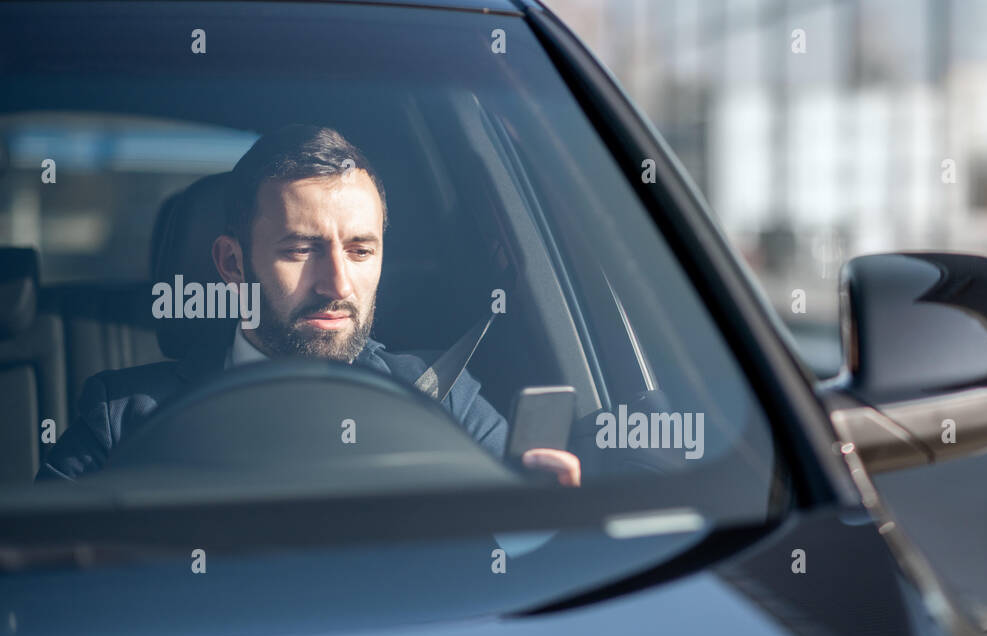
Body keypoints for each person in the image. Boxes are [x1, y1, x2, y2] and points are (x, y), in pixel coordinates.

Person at [36, 125, 581, 486]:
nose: (337, 284)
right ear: (231, 264)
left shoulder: (445, 400)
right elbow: (45, 590)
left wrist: (534, 517)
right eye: (301, 250)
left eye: (361, 250)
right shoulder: (121, 421)